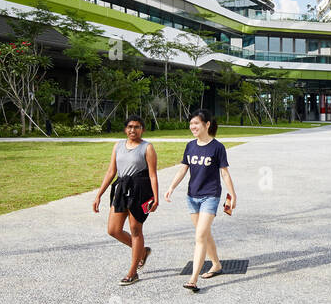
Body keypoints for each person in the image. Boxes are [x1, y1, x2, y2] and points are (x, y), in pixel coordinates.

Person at [165, 110, 236, 291]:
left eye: (196, 123)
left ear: (207, 125)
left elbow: (224, 173)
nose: (192, 127)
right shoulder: (190, 146)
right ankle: (216, 264)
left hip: (210, 196)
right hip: (192, 197)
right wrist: (171, 187)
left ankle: (193, 279)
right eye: (191, 124)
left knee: (199, 237)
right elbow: (183, 169)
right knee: (204, 234)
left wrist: (232, 194)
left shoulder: (217, 147)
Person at [93, 115, 159, 285]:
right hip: (121, 189)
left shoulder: (147, 147)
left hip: (140, 190)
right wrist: (99, 194)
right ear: (125, 129)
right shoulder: (118, 146)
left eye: (137, 127)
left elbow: (152, 174)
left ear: (142, 129)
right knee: (113, 230)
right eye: (130, 126)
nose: (133, 130)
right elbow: (111, 171)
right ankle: (142, 252)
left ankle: (132, 272)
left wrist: (156, 197)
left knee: (136, 229)